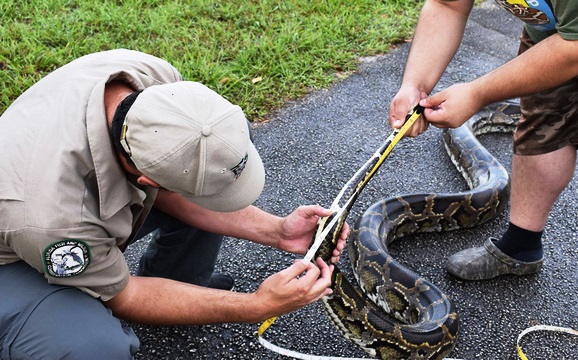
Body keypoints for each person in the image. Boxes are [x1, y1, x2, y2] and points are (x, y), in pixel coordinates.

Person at [0, 49, 348, 359]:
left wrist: (278, 231)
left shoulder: (149, 76)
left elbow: (175, 164)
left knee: (216, 153)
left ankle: (177, 286)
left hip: (58, 205)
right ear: (147, 182)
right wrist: (255, 305)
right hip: (16, 252)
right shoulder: (54, 221)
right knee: (93, 345)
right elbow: (126, 297)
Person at [388, 0, 578, 354]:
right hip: (553, 41)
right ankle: (520, 246)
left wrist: (477, 93)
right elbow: (447, 4)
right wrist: (414, 84)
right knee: (541, 134)